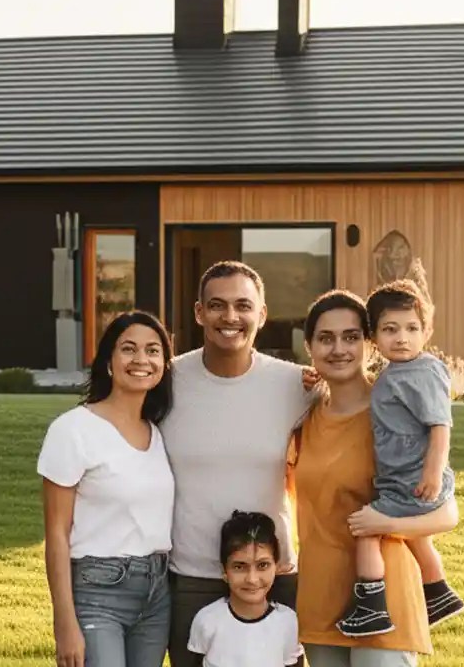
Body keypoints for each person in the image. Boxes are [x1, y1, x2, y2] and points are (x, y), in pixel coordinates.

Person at [291, 289, 459, 667]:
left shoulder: (396, 411)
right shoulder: (304, 413)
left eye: (351, 337)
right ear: (309, 346)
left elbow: (448, 513)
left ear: (369, 343)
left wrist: (386, 523)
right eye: (325, 338)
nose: (338, 349)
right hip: (319, 597)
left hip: (385, 600)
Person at [160, 260, 316, 667]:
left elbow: (353, 410)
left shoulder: (296, 384)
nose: (230, 317)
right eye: (217, 305)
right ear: (199, 312)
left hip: (272, 574)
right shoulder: (165, 381)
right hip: (193, 575)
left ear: (261, 315)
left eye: (243, 306)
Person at [38, 310, 177, 667]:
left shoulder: (157, 431)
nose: (141, 359)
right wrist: (64, 622)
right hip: (98, 591)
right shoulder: (73, 430)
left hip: (157, 593)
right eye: (128, 349)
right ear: (109, 362)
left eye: (153, 350)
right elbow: (56, 532)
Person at [335, 280, 464, 637]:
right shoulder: (398, 372)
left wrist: (433, 473)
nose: (402, 338)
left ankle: (371, 607)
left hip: (413, 480)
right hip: (402, 477)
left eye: (412, 329)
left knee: (365, 529)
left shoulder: (421, 372)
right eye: (390, 330)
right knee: (418, 537)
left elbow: (440, 426)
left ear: (427, 331)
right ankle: (438, 592)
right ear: (373, 337)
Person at [187, 511, 304, 667]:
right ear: (224, 571)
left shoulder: (287, 621)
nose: (252, 579)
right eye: (239, 567)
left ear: (276, 567)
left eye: (263, 565)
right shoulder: (207, 621)